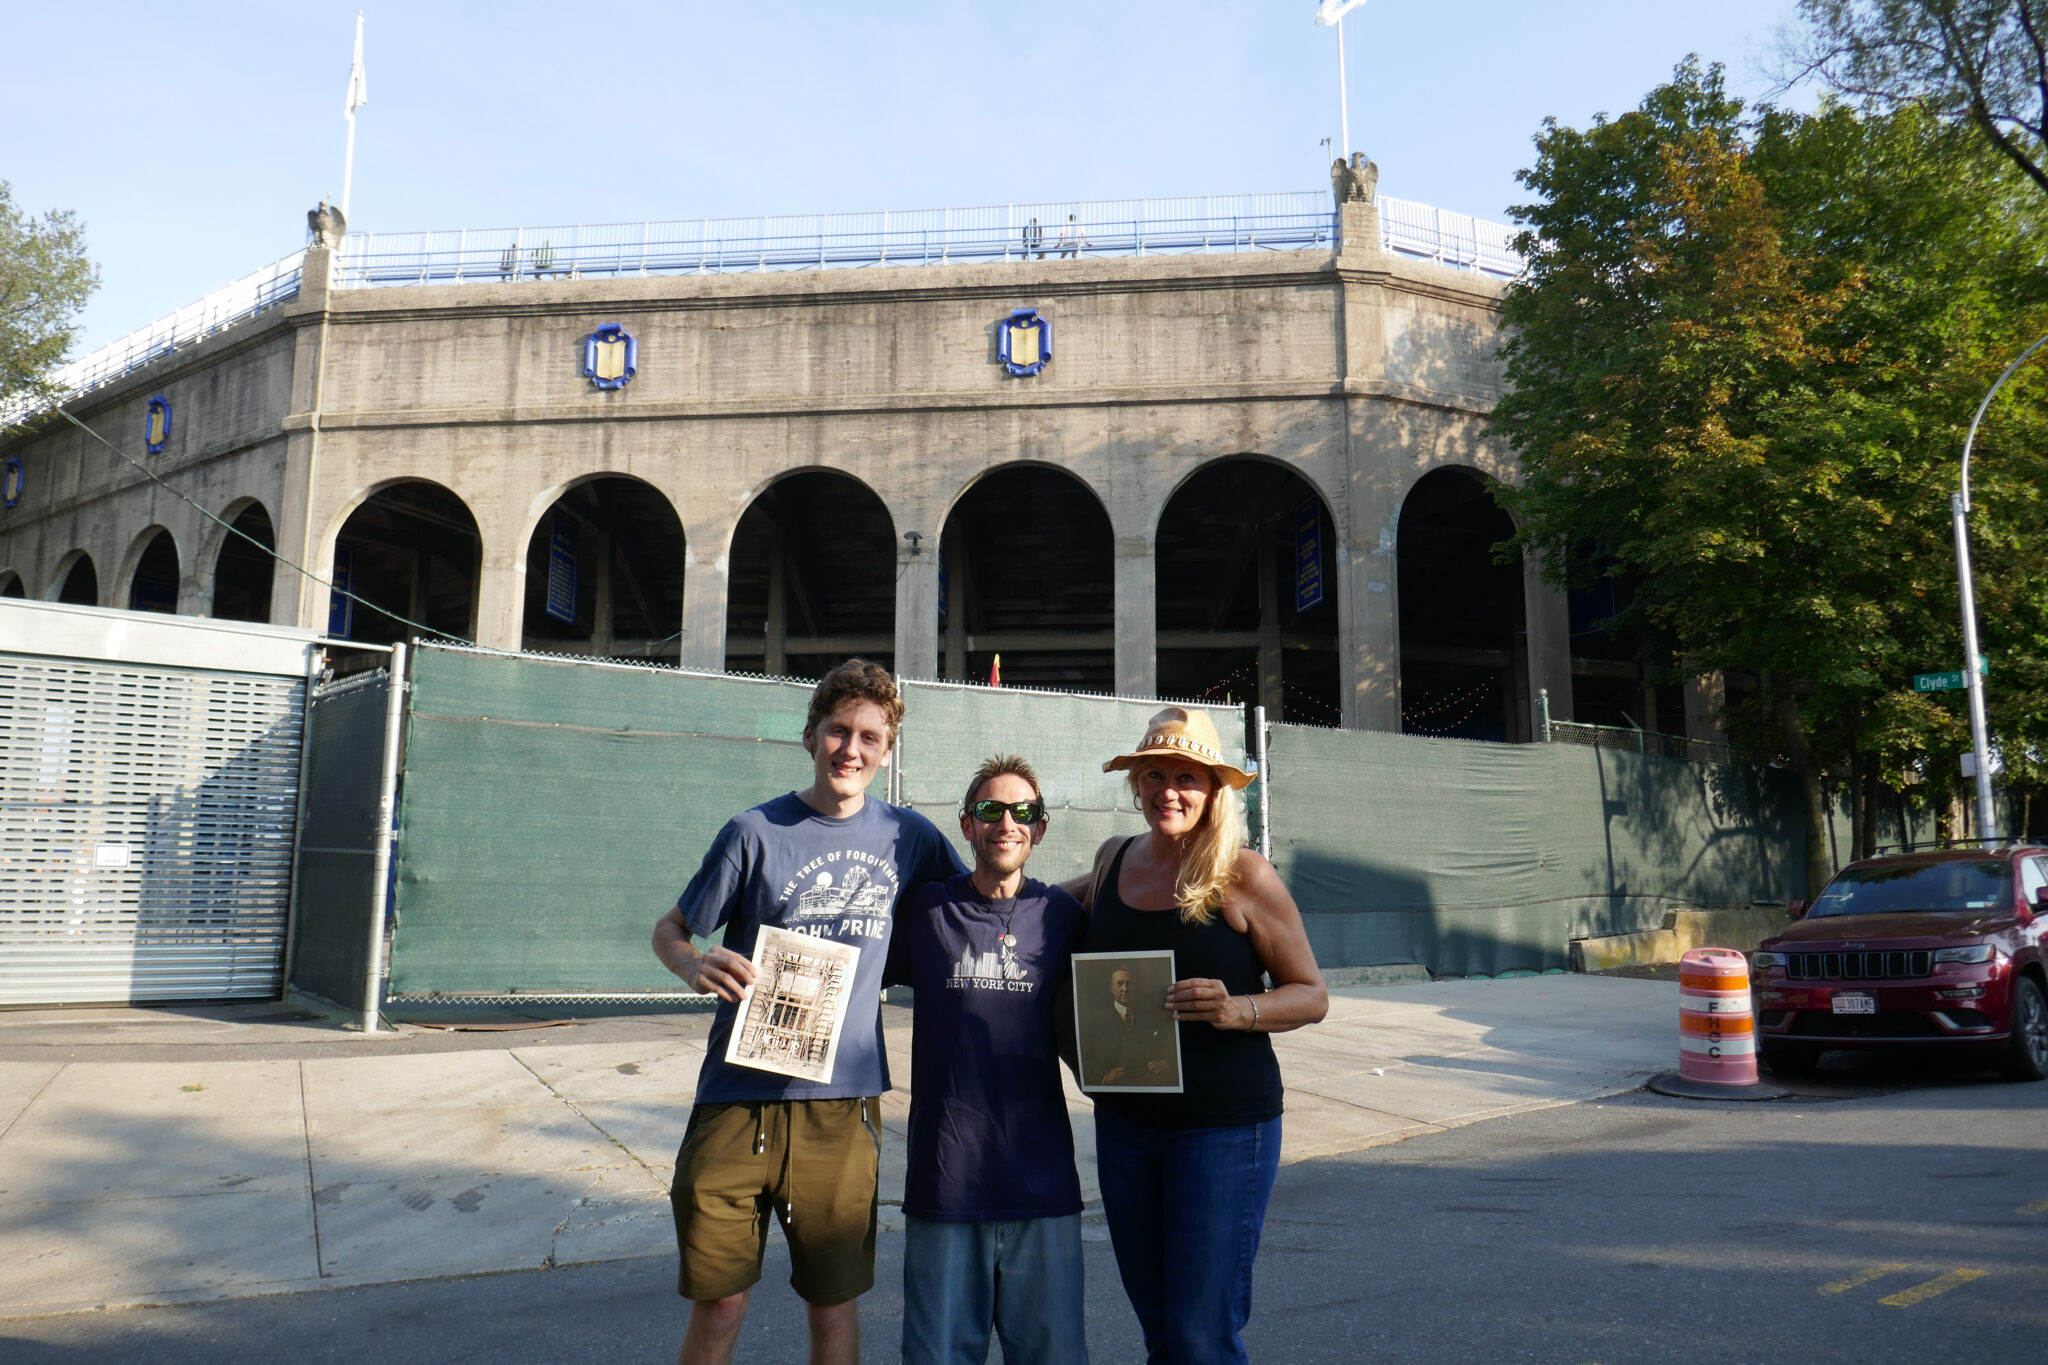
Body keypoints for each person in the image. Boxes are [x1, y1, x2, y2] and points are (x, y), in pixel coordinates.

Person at [652, 659, 965, 1365]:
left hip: (841, 1107)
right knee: (721, 1301)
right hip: (737, 1097)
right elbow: (671, 928)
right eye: (838, 730)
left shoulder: (908, 837)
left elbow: (977, 902)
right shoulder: (754, 830)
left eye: (869, 737)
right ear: (810, 735)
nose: (851, 748)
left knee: (832, 1303)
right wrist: (692, 964)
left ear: (886, 752)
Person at [1069, 705, 1328, 1365]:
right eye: (1155, 774)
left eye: (1187, 776)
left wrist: (1238, 1007)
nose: (1169, 790)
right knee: (1159, 1327)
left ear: (1214, 789)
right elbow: (1032, 906)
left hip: (1222, 1129)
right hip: (1125, 1126)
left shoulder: (1244, 874)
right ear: (1136, 784)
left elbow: (1311, 994)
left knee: (1200, 1335)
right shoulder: (1111, 863)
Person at [889, 754, 1089, 1364]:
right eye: (991, 810)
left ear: (1041, 827)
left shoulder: (1063, 919)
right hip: (945, 1184)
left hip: (1043, 1185)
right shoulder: (925, 911)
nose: (1008, 822)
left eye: (1023, 811)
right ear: (967, 825)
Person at [1080, 965, 1172, 1087]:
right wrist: (1104, 1077)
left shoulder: (1148, 1019)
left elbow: (1166, 1049)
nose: (1125, 988)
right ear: (1111, 988)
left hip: (1146, 1084)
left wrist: (1162, 1064)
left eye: (1128, 984)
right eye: (1119, 983)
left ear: (1134, 988)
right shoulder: (1096, 1021)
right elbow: (1084, 1058)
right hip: (1112, 1089)